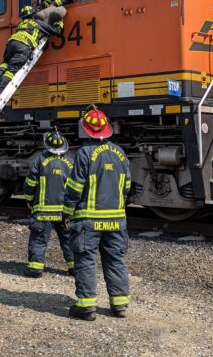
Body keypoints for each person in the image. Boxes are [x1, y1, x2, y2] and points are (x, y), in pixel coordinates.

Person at [63, 105, 131, 321]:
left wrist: (67, 212)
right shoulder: (120, 153)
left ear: (86, 129)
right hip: (116, 220)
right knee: (115, 260)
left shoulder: (84, 153)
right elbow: (127, 187)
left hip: (88, 220)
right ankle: (119, 305)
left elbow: (75, 187)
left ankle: (86, 306)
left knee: (85, 260)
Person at [23, 128, 74, 278]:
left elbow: (30, 184)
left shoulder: (40, 160)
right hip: (64, 211)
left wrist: (29, 200)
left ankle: (35, 268)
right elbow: (76, 187)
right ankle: (74, 268)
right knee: (68, 239)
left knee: (39, 239)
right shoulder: (70, 162)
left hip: (43, 210)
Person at [0, 5, 44, 89]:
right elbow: (55, 30)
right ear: (32, 15)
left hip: (11, 43)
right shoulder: (37, 23)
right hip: (23, 46)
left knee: (5, 62)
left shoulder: (20, 24)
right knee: (12, 69)